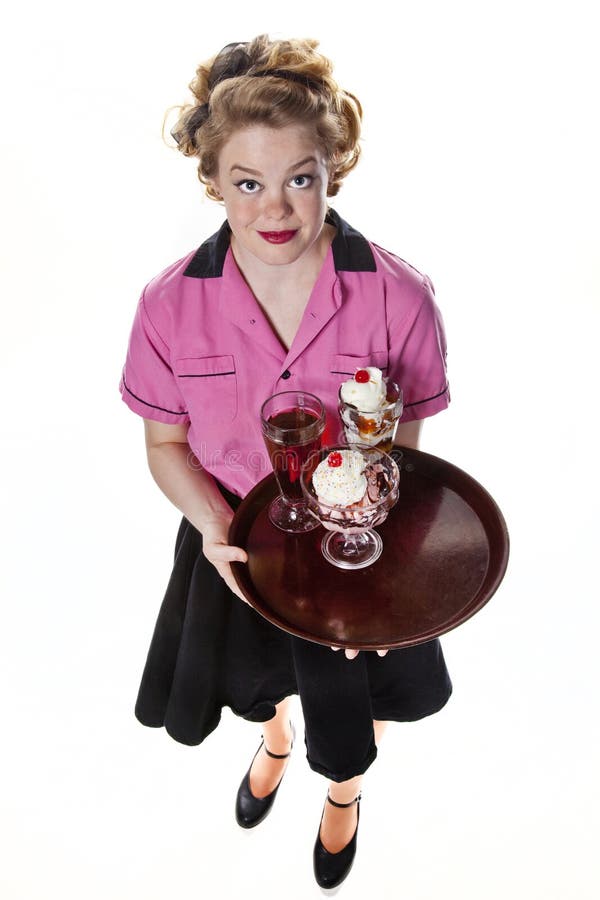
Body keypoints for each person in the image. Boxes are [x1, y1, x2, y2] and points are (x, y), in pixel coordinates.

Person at [119, 34, 452, 890]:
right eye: (248, 183)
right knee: (251, 680)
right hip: (232, 536)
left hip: (357, 545)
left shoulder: (401, 296)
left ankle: (343, 792)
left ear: (333, 168)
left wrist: (368, 569)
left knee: (361, 703)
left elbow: (405, 452)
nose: (276, 208)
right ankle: (272, 739)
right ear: (212, 180)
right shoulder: (167, 304)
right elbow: (164, 443)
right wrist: (213, 528)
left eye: (299, 178)